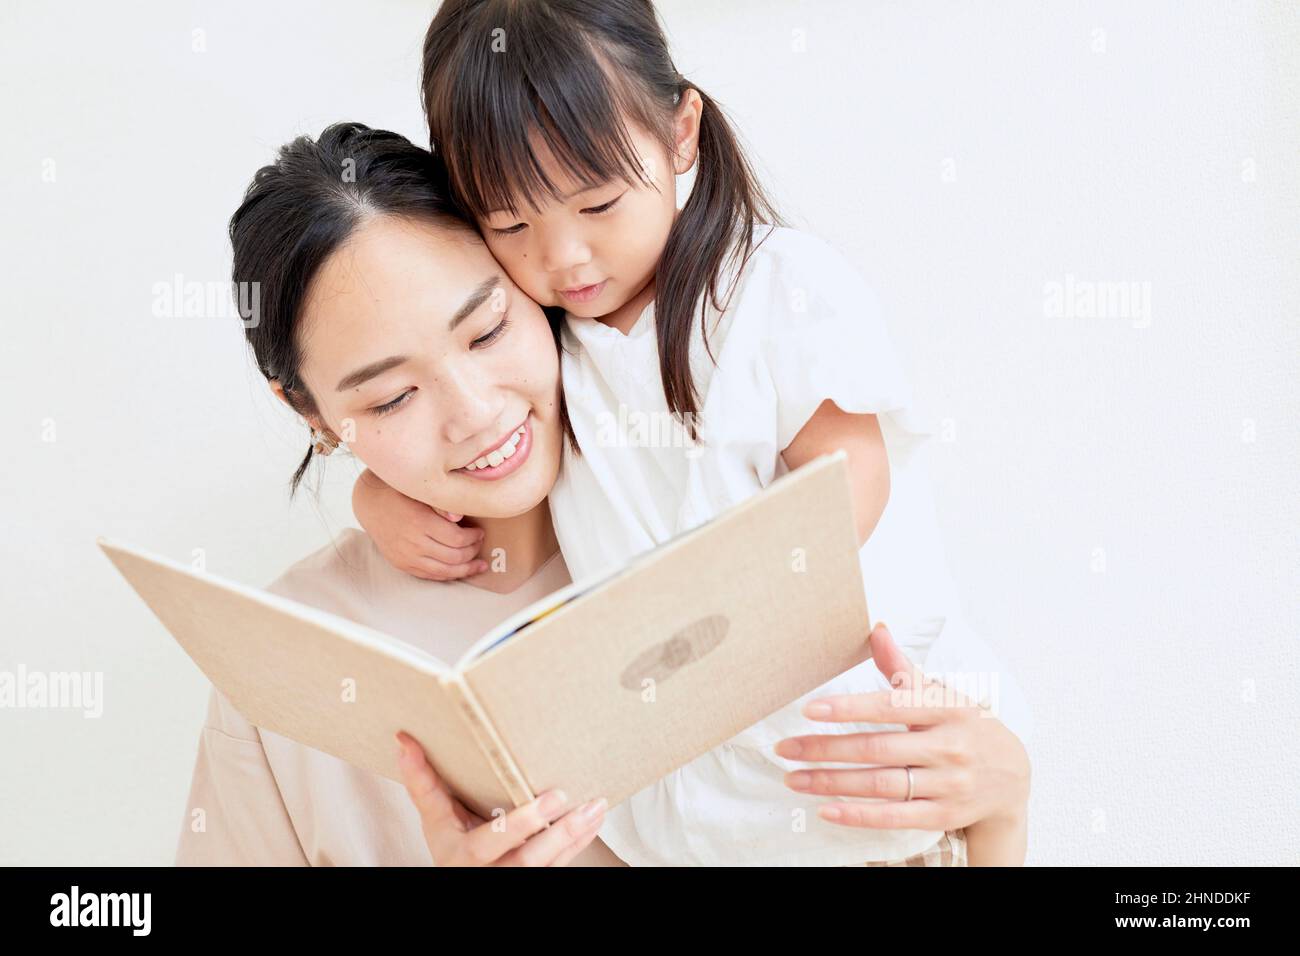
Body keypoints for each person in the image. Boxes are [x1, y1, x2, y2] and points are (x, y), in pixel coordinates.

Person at [351, 0, 1032, 865]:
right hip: (705, 807)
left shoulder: (774, 288)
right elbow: (476, 451)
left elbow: (848, 479)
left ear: (681, 134)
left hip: (862, 759)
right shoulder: (548, 342)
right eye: (512, 225)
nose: (564, 258)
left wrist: (730, 602)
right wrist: (377, 495)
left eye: (598, 204)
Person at [176, 123, 621, 866]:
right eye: (391, 398)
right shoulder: (281, 663)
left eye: (487, 331)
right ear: (312, 414)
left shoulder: (694, 501)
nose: (475, 413)